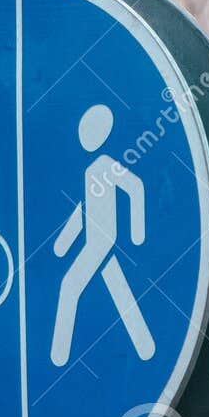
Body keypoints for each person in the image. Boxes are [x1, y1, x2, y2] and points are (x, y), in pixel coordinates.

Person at [50, 104, 155, 367]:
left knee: (69, 286)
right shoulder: (91, 169)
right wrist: (63, 243)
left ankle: (58, 356)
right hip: (96, 240)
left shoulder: (107, 165)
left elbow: (135, 187)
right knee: (119, 290)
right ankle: (146, 347)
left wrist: (137, 232)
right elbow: (83, 210)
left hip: (103, 240)